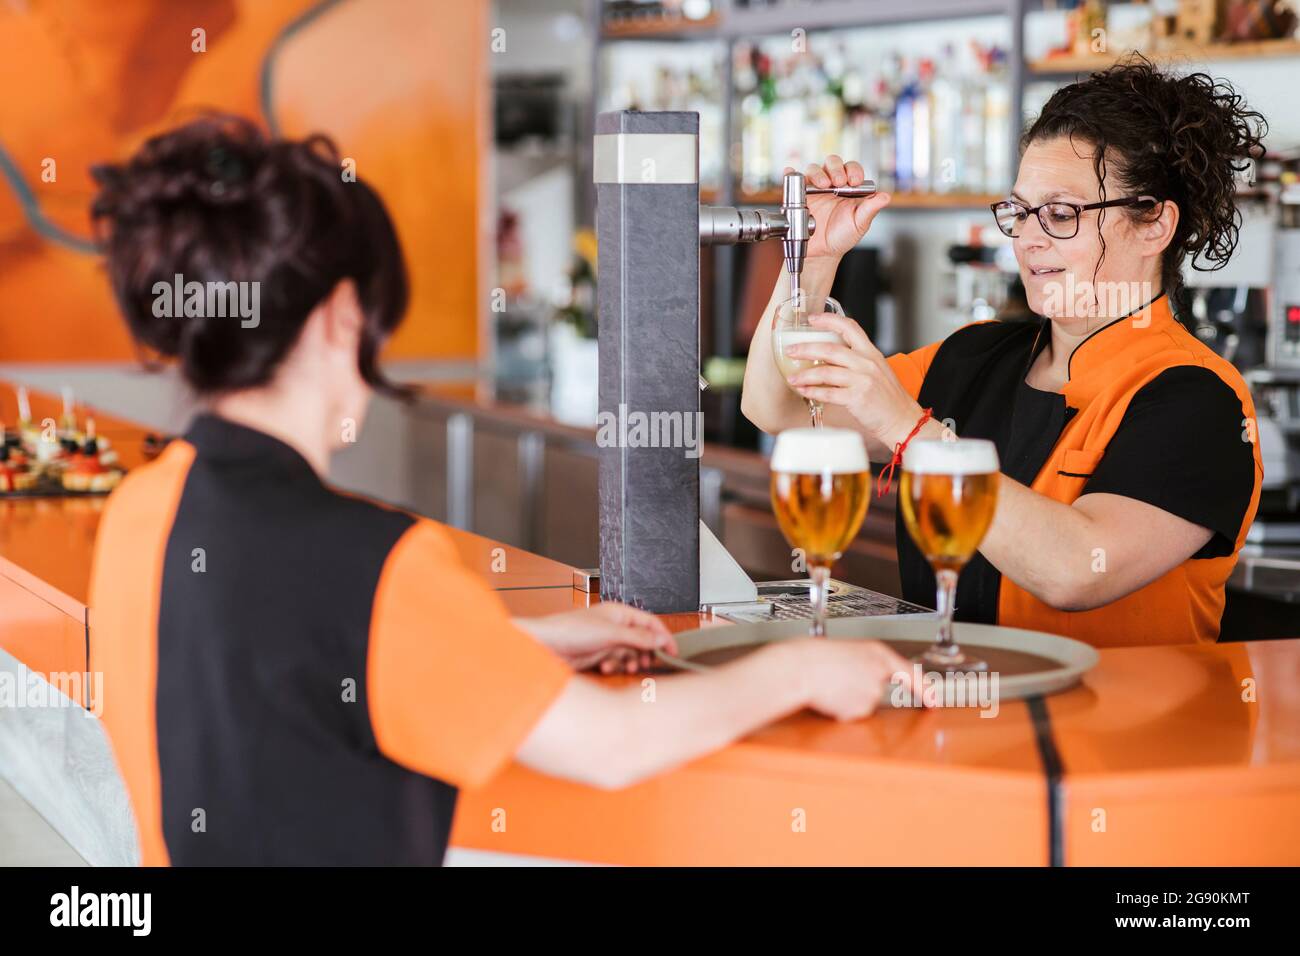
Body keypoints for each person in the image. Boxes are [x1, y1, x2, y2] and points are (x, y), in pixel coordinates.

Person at [87, 116, 917, 866]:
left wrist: (526, 644)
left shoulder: (140, 510)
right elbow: (615, 746)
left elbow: (288, 663)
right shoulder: (378, 565)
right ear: (343, 317)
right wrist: (798, 669)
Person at [742, 57, 1266, 647]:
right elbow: (779, 407)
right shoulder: (975, 356)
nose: (1028, 237)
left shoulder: (1199, 399)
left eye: (1061, 213)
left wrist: (909, 430)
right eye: (1019, 211)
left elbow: (1076, 569)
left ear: (1153, 224)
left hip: (1118, 735)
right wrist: (812, 261)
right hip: (959, 719)